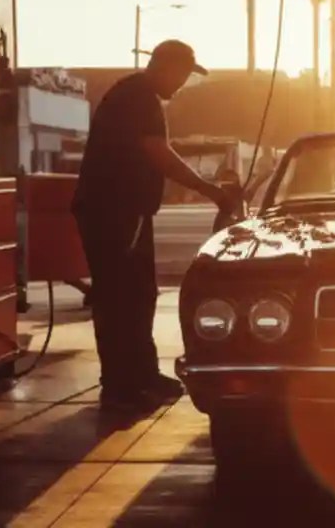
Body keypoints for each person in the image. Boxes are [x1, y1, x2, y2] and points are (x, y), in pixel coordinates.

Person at [73, 39, 241, 411]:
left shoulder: (134, 95)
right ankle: (122, 383)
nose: (182, 84)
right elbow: (159, 154)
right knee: (121, 298)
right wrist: (210, 190)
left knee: (138, 294)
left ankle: (141, 375)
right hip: (114, 213)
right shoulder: (139, 98)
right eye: (182, 75)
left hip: (123, 211)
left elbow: (155, 150)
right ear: (165, 66)